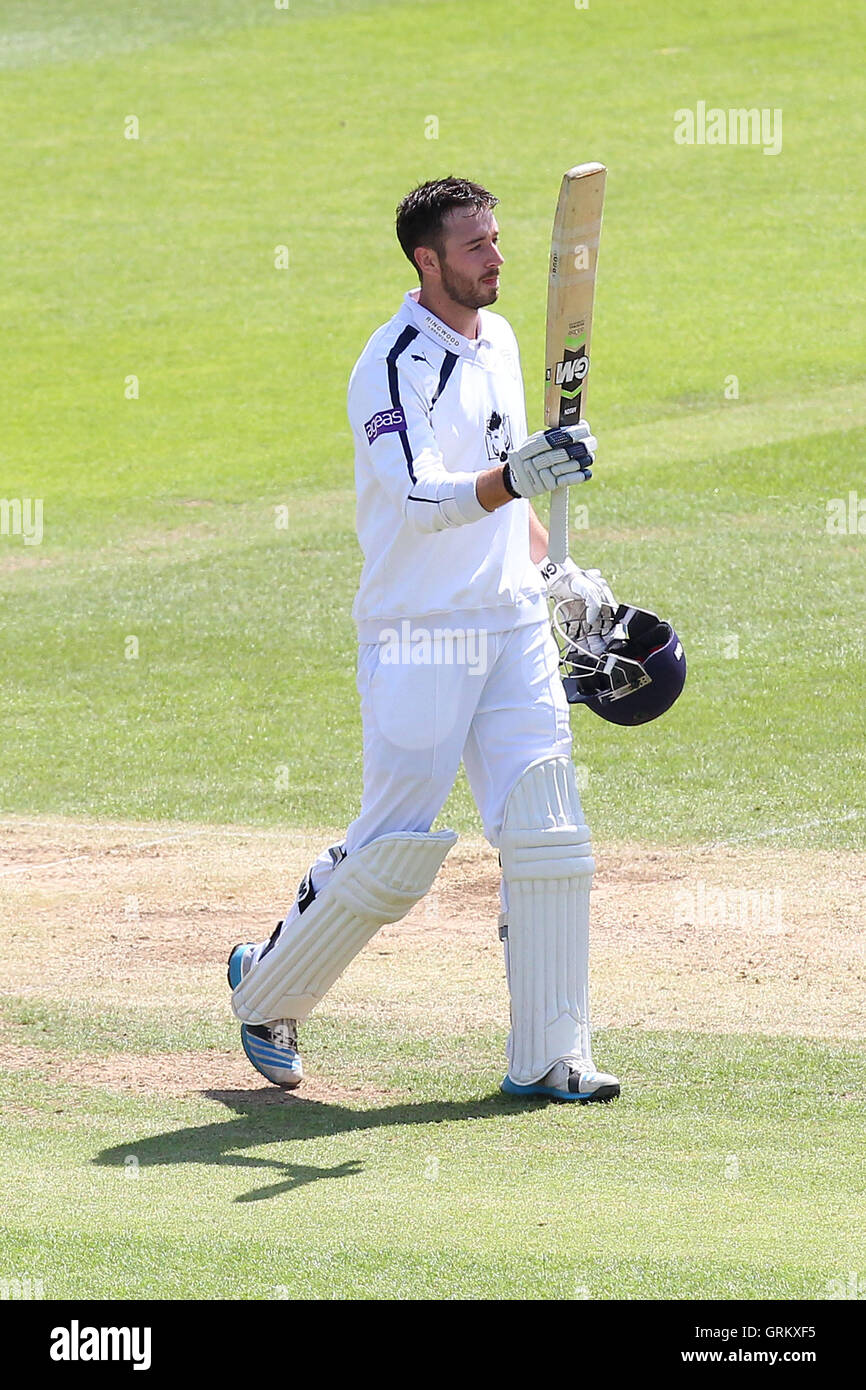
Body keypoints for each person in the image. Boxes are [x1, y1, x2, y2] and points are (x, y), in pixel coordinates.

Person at [227, 176, 621, 1103]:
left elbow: (512, 479)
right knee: (393, 853)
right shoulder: (392, 363)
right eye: (477, 245)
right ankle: (269, 984)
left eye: (496, 237)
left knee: (549, 831)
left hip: (510, 623)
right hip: (421, 631)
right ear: (427, 260)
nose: (497, 257)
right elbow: (422, 498)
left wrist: (557, 574)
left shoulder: (509, 340)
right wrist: (515, 477)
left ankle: (552, 1054)